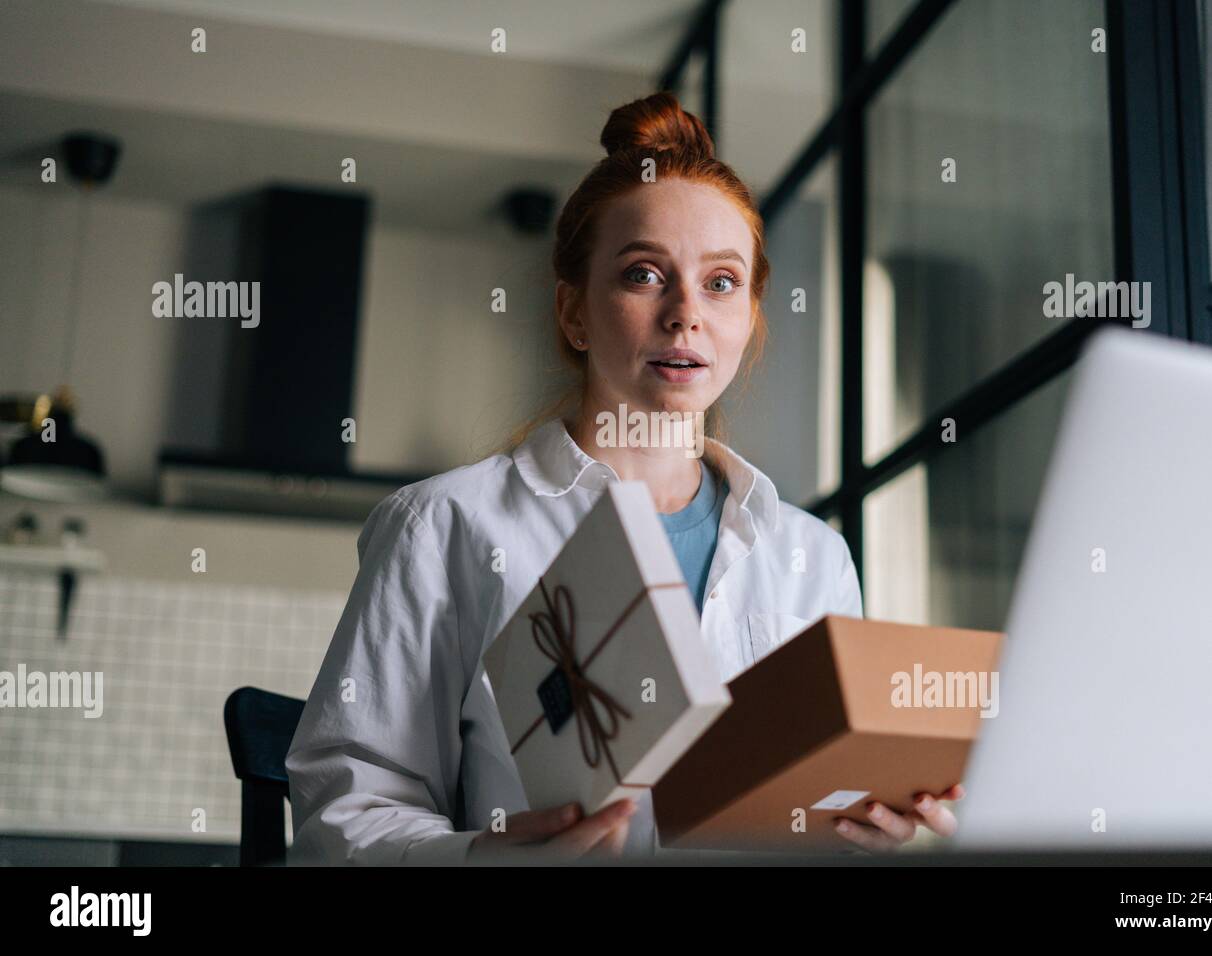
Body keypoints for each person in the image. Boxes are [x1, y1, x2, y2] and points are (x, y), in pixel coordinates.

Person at [285, 91, 962, 865]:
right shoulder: (444, 527)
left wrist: (866, 829)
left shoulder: (811, 559)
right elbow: (344, 820)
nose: (685, 315)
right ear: (574, 313)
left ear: (749, 317)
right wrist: (483, 858)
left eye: (720, 282)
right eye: (645, 274)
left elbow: (811, 822)